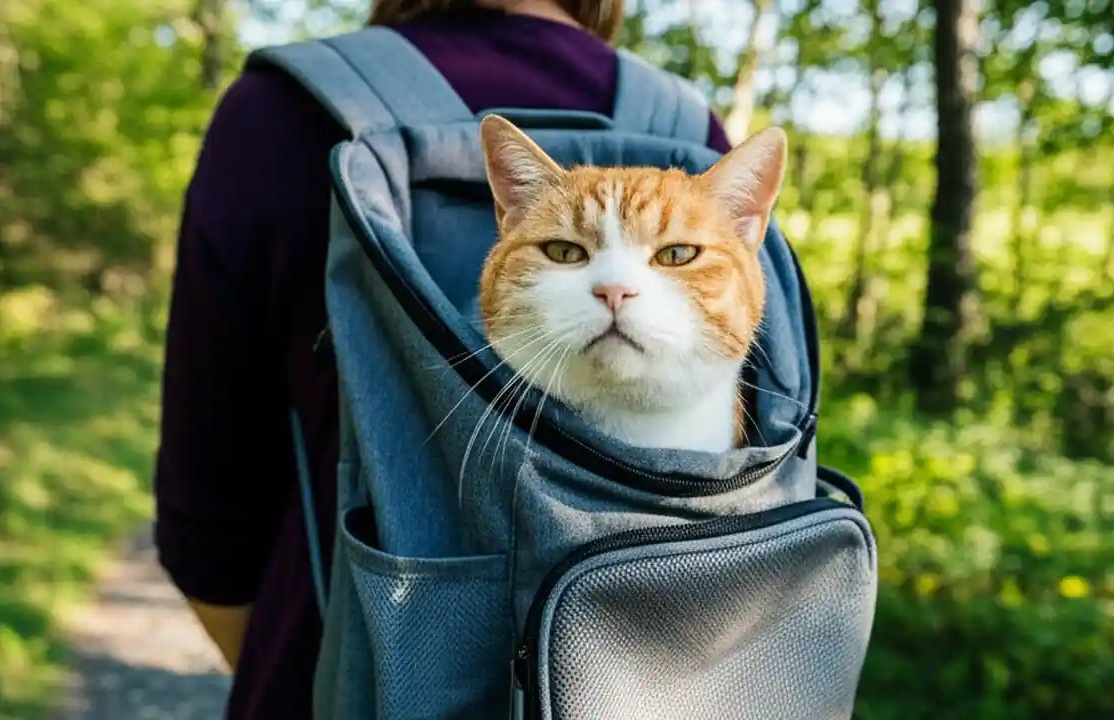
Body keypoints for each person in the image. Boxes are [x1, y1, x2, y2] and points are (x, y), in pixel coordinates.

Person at [152, 0, 733, 716]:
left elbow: (205, 520)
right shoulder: (689, 128)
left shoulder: (278, 111)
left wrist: (309, 675)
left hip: (344, 662)